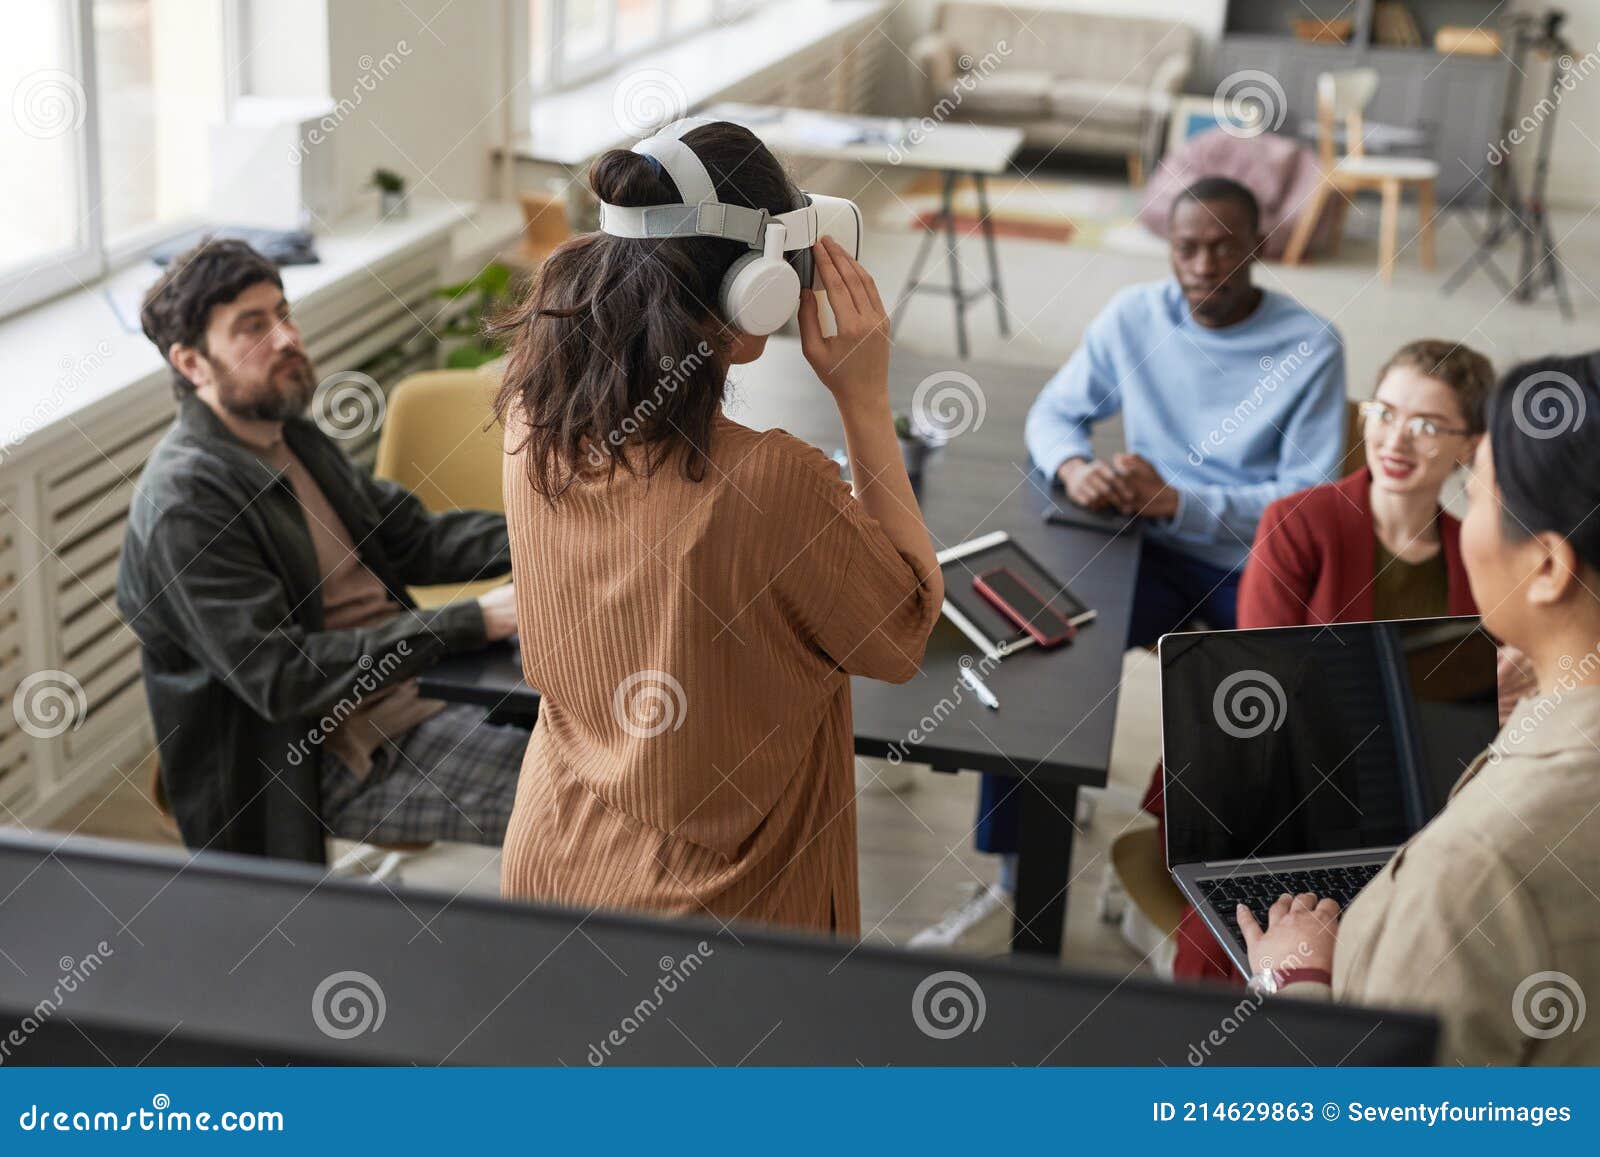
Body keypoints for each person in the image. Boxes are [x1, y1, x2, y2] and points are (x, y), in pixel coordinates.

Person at [492, 121, 943, 935]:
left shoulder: (534, 424)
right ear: (751, 288)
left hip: (551, 861)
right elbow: (903, 629)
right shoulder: (771, 480)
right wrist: (864, 399)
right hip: (722, 917)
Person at [913, 177, 1347, 951]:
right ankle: (1016, 873)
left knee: (1265, 699)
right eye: (1187, 247)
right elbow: (1055, 412)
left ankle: (1212, 900)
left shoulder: (1310, 345)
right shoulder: (1134, 316)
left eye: (1223, 247)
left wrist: (1179, 500)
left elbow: (1306, 500)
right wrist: (1075, 467)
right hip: (1143, 547)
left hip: (1249, 560)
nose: (1203, 265)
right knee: (1037, 650)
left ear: (1257, 246)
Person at [117, 239, 527, 864]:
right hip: (322, 758)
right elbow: (283, 678)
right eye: (253, 327)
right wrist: (473, 620)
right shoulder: (186, 506)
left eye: (283, 313)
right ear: (192, 363)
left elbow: (414, 539)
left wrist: (543, 536)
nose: (286, 338)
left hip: (416, 686)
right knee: (585, 799)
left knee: (620, 734)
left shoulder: (292, 435)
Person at [1241, 352, 1600, 1064]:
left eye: (1481, 489)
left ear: (1547, 567)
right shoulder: (1303, 523)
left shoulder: (1472, 869)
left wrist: (1296, 982)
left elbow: (1374, 1111)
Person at [1150, 339, 1534, 981]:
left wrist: (1504, 705)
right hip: (1276, 799)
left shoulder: (1476, 556)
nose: (1395, 439)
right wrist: (1455, 708)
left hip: (1411, 810)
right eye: (1384, 412)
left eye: (1427, 425)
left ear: (1469, 446)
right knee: (1250, 967)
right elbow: (1261, 705)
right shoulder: (1298, 522)